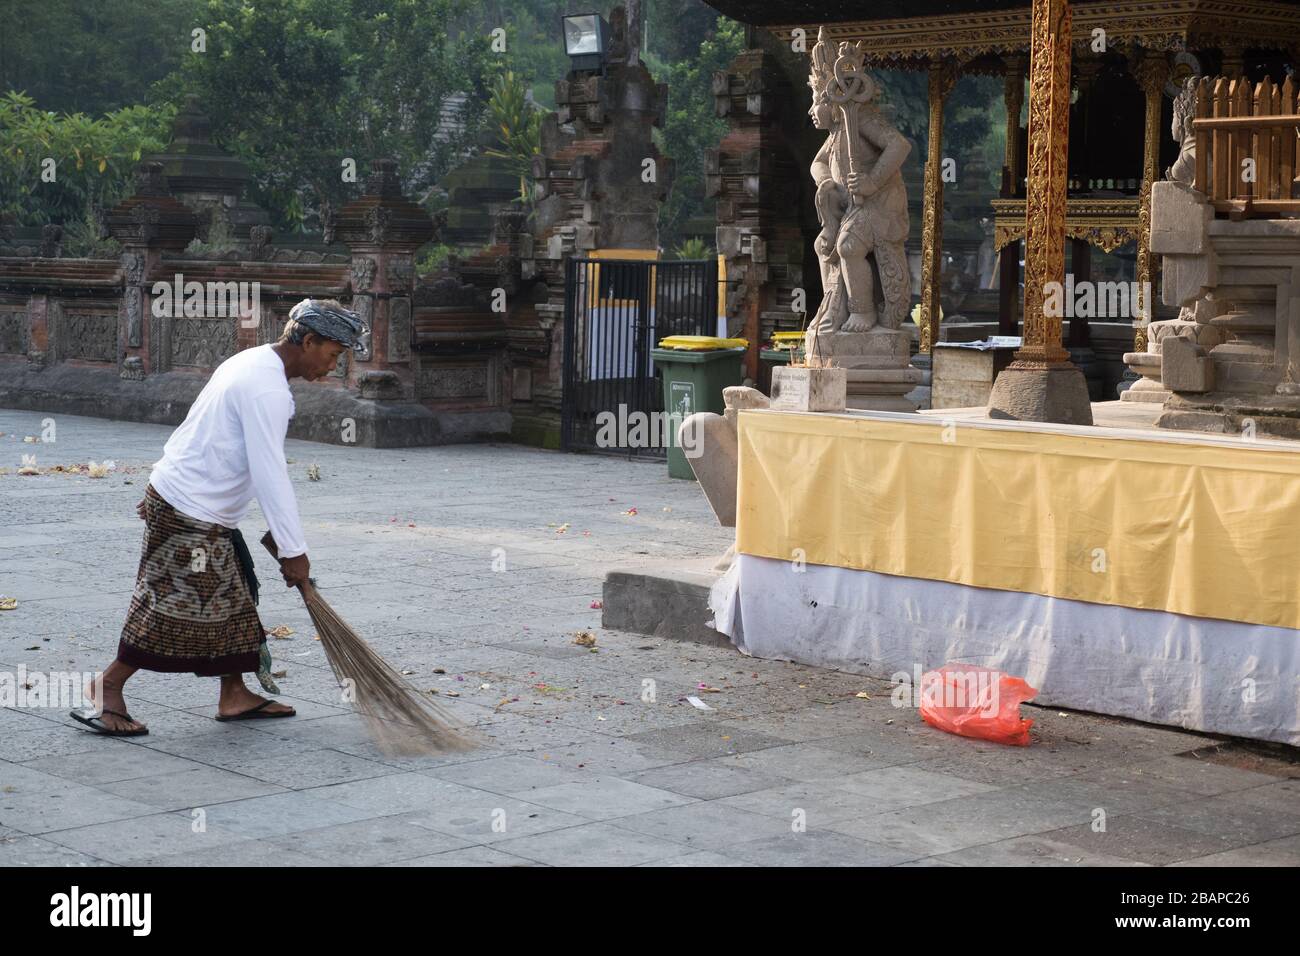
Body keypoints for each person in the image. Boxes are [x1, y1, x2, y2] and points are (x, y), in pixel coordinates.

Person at [71, 299, 366, 735]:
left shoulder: (253, 361)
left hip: (190, 502)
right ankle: (107, 685)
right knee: (176, 604)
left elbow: (216, 439)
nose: (334, 365)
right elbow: (270, 475)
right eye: (334, 354)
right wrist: (294, 551)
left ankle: (234, 694)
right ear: (309, 340)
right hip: (190, 510)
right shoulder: (267, 389)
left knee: (237, 595)